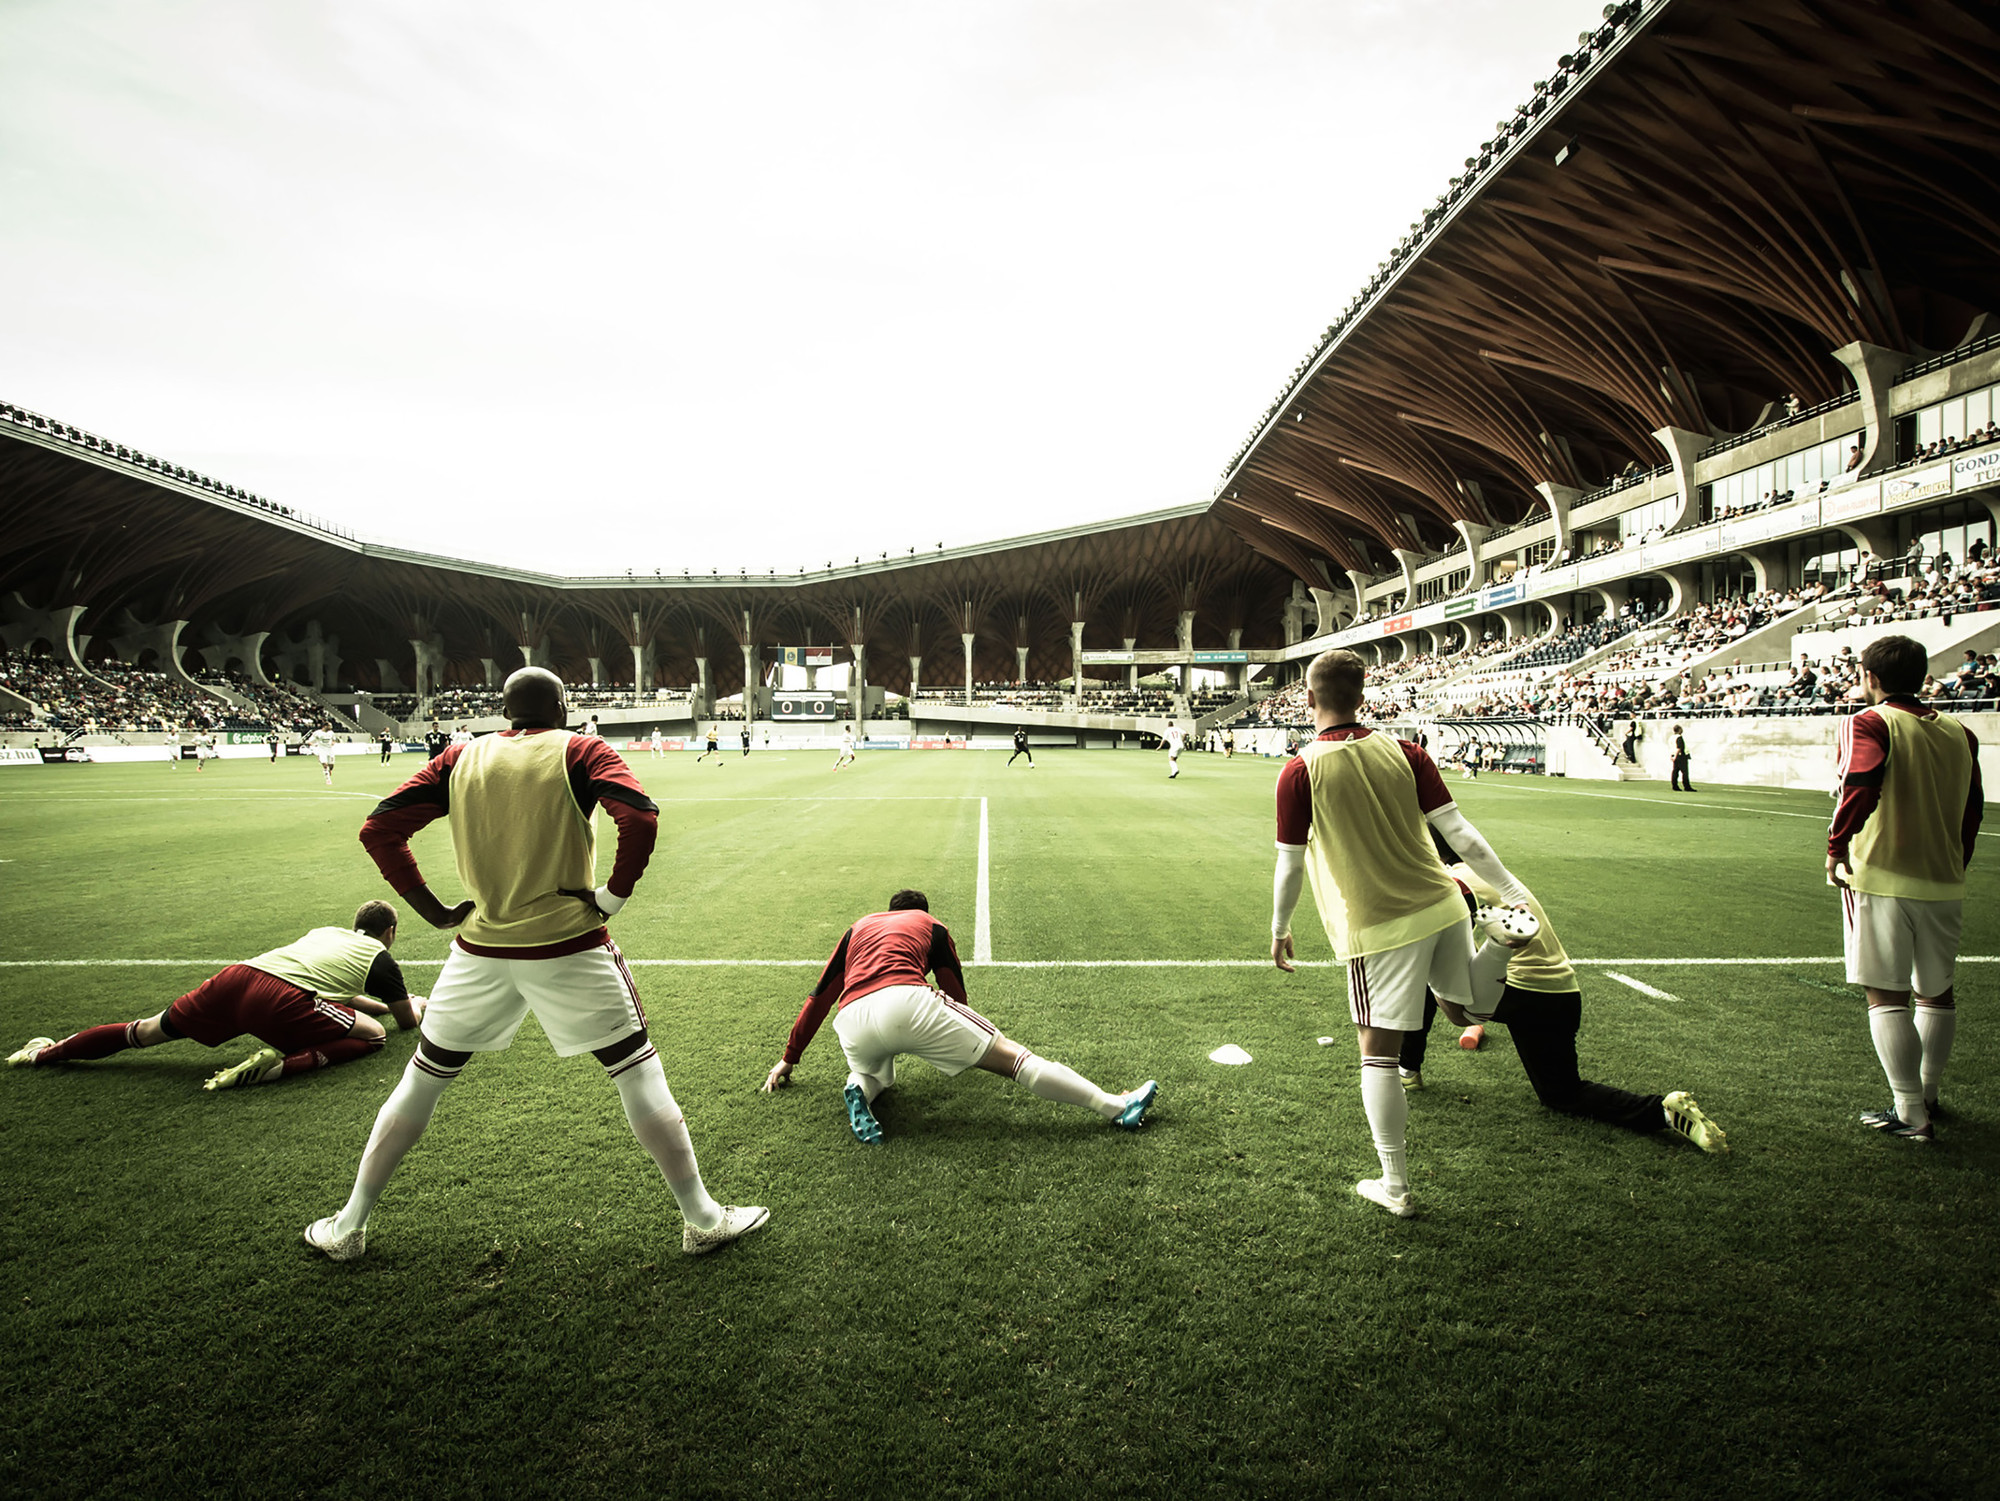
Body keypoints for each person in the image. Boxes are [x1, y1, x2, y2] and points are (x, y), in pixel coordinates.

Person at [305, 666, 765, 1260]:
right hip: (568, 945)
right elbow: (641, 816)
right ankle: (702, 1218)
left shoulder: (459, 759)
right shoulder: (581, 749)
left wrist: (436, 911)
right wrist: (610, 899)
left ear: (504, 710)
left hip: (479, 950)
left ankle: (348, 1226)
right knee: (636, 1072)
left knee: (421, 1081)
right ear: (562, 706)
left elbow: (380, 829)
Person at [1269, 648, 1534, 1218]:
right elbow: (1462, 835)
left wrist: (1279, 927)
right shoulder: (1407, 751)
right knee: (1465, 1011)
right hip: (1444, 904)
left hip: (1379, 925)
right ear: (1363, 697)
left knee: (1377, 1055)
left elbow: (1289, 863)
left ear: (1309, 699)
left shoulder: (1299, 770)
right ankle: (1499, 941)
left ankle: (1394, 1185)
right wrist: (1511, 892)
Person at [1396, 838, 1728, 1151]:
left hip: (1517, 991)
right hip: (1561, 994)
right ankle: (1664, 1111)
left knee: (1425, 970)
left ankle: (1407, 1070)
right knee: (1562, 1092)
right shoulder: (1493, 874)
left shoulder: (1455, 882)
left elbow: (1444, 953)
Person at [762, 889, 1156, 1142]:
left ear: (888, 911)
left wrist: (788, 1060)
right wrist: (971, 1037)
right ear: (922, 911)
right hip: (907, 1001)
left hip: (851, 1018)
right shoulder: (930, 924)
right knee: (1017, 1060)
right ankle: (1117, 1107)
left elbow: (820, 995)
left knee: (875, 1075)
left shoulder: (859, 927)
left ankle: (859, 1091)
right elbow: (952, 987)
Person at [8, 902, 425, 1090]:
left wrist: (379, 1006)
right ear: (390, 933)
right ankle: (275, 1069)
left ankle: (42, 1054)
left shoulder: (325, 934)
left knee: (147, 1030)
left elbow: (341, 997)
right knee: (373, 1036)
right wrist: (417, 1007)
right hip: (283, 997)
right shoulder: (380, 958)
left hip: (239, 977)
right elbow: (404, 1022)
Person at [1828, 634, 1983, 1141]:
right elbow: (1972, 809)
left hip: (1881, 874)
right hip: (1945, 878)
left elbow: (1860, 786)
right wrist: (1957, 861)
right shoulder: (1962, 731)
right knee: (1936, 991)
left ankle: (1910, 1112)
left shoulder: (1869, 722)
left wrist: (1836, 847)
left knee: (1885, 992)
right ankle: (1930, 1095)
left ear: (1870, 677)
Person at [1669, 724, 1694, 791]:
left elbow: (1672, 747)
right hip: (1681, 756)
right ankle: (1686, 786)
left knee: (1675, 771)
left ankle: (1674, 785)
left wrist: (1672, 756)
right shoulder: (1679, 737)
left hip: (1674, 755)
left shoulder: (1672, 737)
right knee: (1685, 772)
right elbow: (1679, 747)